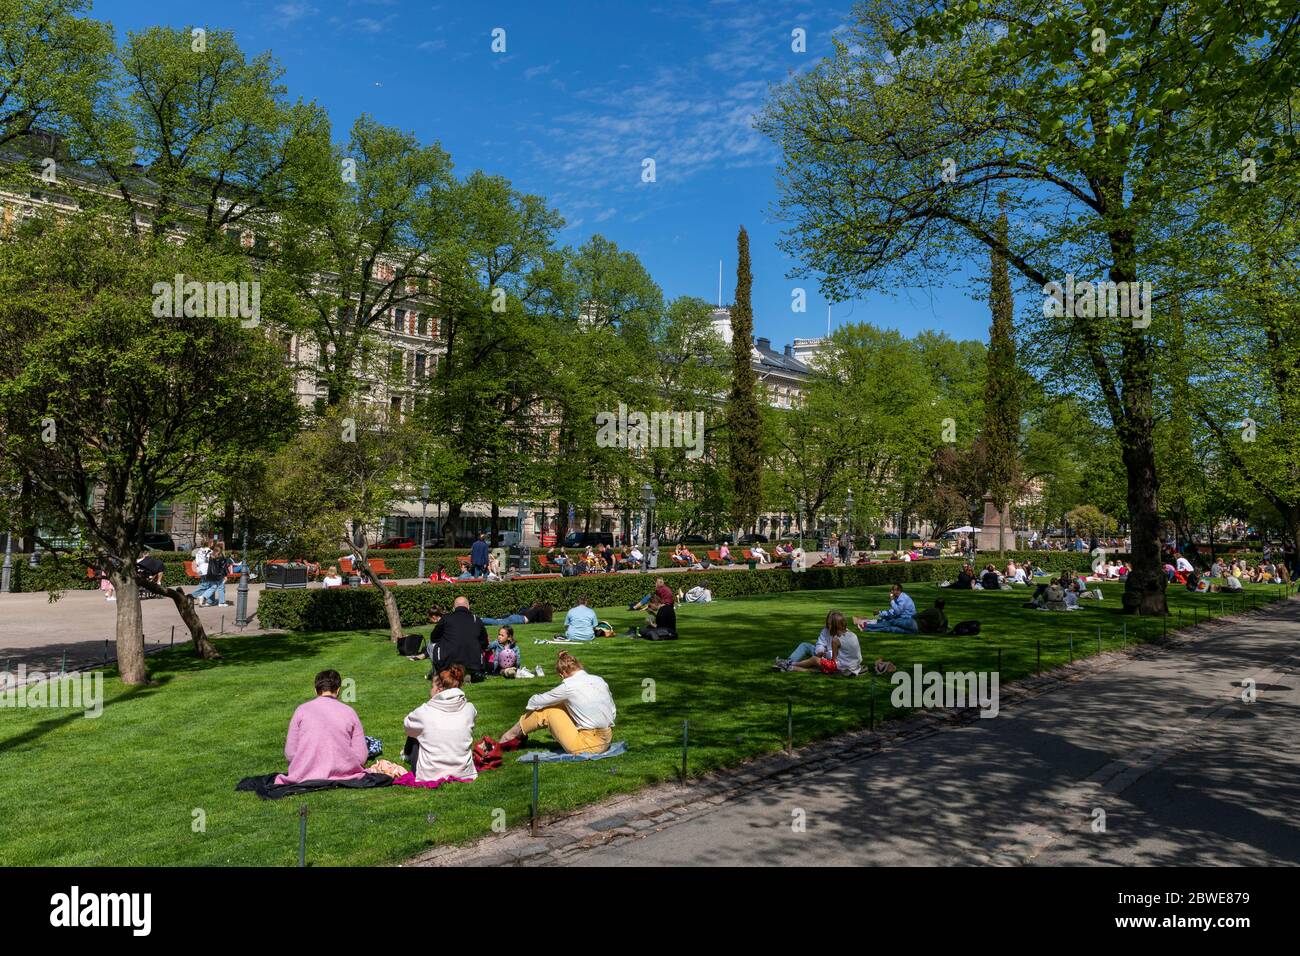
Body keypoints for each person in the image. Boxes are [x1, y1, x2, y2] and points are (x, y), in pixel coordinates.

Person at [498, 651, 616, 755]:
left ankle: (507, 738)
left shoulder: (568, 686)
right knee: (562, 704)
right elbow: (612, 711)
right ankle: (515, 736)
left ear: (562, 674)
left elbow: (534, 702)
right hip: (607, 739)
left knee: (546, 711)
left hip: (588, 745)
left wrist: (542, 702)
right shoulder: (599, 680)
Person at [275, 670, 368, 785]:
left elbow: (290, 753)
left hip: (305, 773)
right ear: (338, 690)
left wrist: (302, 764)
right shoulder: (349, 712)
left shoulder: (301, 710)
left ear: (316, 691)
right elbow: (361, 756)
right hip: (345, 772)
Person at [402, 664, 477, 782]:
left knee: (416, 731)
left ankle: (406, 755)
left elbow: (407, 726)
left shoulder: (424, 712)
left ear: (439, 689)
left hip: (430, 775)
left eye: (432, 686)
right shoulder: (470, 709)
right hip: (464, 772)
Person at [776, 610, 861, 675]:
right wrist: (820, 651)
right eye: (828, 624)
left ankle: (787, 665)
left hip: (835, 660)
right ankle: (789, 661)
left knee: (814, 661)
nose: (828, 626)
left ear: (836, 624)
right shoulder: (828, 631)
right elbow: (820, 643)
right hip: (826, 656)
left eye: (830, 624)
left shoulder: (839, 638)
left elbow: (837, 658)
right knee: (805, 645)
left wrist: (827, 655)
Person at [426, 596, 488, 681]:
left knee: (431, 644)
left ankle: (438, 672)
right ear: (468, 607)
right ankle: (467, 673)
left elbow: (434, 637)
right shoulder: (476, 620)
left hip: (449, 662)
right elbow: (484, 642)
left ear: (453, 608)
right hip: (473, 663)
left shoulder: (446, 618)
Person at [191, 542, 231, 606]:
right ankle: (191, 596)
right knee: (206, 586)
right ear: (209, 544)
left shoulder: (199, 552)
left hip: (205, 571)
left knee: (211, 586)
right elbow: (222, 566)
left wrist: (199, 570)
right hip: (211, 572)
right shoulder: (213, 552)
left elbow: (197, 562)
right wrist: (225, 575)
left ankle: (210, 601)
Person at [482, 602, 553, 627]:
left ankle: (481, 620)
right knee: (497, 622)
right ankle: (480, 620)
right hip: (520, 619)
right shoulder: (539, 610)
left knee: (497, 620)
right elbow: (542, 621)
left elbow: (521, 610)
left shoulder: (529, 609)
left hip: (516, 616)